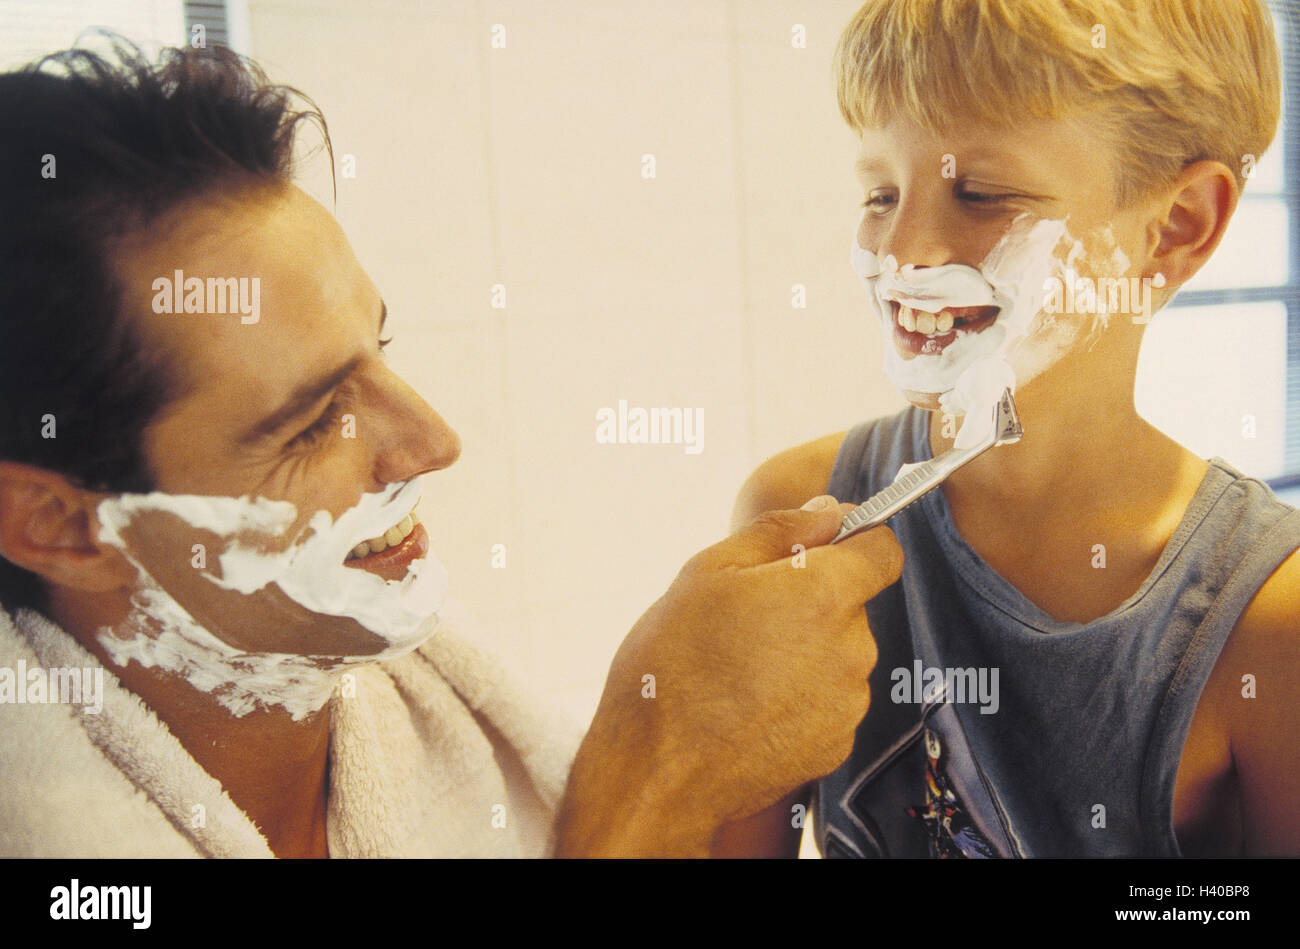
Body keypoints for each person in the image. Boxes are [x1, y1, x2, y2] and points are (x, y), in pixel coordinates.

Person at [0, 39, 902, 858]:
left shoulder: (434, 727)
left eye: (380, 349)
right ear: (62, 526)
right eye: (312, 423)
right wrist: (651, 780)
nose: (433, 442)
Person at [720, 0, 1300, 858]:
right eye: (881, 194)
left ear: (1175, 227)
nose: (903, 252)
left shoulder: (1270, 621)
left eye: (980, 195)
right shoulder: (800, 517)